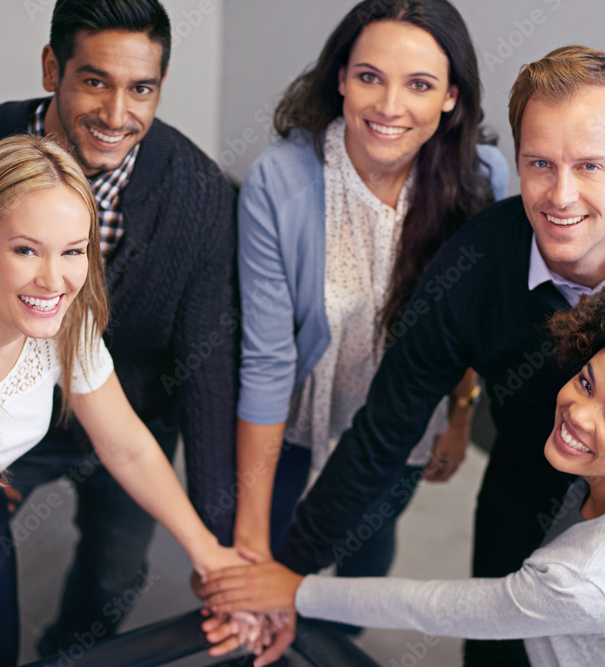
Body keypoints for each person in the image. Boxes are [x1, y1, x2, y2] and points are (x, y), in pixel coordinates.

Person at [267, 45, 605, 666]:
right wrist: (287, 574)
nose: (561, 195)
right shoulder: (472, 268)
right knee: (498, 647)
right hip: (528, 470)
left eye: (589, 166)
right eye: (540, 164)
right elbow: (384, 433)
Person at [0, 0, 239, 657]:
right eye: (94, 81)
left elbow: (202, 375)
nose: (118, 114)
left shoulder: (196, 202)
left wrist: (219, 547)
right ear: (51, 68)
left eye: (141, 88)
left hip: (132, 413)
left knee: (113, 577)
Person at [200, 274, 605, 667]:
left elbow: (437, 607)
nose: (576, 416)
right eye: (585, 383)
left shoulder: (587, 575)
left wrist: (298, 590)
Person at [231, 0, 508, 624]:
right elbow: (270, 360)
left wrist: (460, 416)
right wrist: (248, 541)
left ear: (451, 98)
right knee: (265, 552)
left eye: (418, 85)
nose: (388, 106)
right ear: (340, 77)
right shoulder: (280, 180)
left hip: (402, 416)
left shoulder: (483, 179)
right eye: (369, 76)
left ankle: (339, 638)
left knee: (364, 557)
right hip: (294, 405)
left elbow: (471, 326)